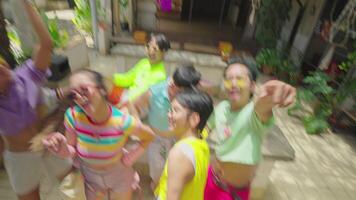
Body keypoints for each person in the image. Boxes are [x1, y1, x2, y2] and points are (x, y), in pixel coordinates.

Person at [42, 69, 155, 200]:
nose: (79, 97)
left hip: (119, 175)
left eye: (84, 89)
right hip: (91, 178)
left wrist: (130, 158)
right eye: (73, 95)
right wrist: (63, 150)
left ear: (101, 89)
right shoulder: (73, 117)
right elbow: (72, 150)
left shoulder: (123, 121)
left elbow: (149, 136)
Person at [0, 1, 73, 200]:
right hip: (19, 157)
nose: (3, 69)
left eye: (2, 65)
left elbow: (47, 44)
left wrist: (26, 5)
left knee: (75, 189)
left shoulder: (25, 75)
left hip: (49, 142)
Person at [204, 56, 296, 200]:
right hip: (211, 179)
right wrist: (198, 138)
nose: (233, 83)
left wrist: (271, 95)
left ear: (252, 85)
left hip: (233, 193)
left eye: (239, 79)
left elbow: (262, 109)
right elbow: (208, 127)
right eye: (228, 79)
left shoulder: (253, 112)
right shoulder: (222, 108)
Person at [129, 64, 202, 189]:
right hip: (157, 140)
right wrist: (139, 125)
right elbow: (133, 104)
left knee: (176, 170)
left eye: (178, 89)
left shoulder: (191, 95)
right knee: (157, 172)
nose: (171, 86)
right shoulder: (155, 91)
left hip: (179, 139)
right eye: (172, 82)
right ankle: (156, 189)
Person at [155, 90, 214, 200]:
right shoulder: (201, 143)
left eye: (175, 110)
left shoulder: (180, 153)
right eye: (170, 110)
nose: (169, 115)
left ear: (194, 119)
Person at [110, 33, 171, 106]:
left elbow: (140, 94)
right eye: (148, 46)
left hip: (137, 107)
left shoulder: (160, 75)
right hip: (128, 97)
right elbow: (128, 78)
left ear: (163, 52)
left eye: (155, 49)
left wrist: (124, 103)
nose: (150, 51)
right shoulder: (144, 62)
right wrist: (112, 78)